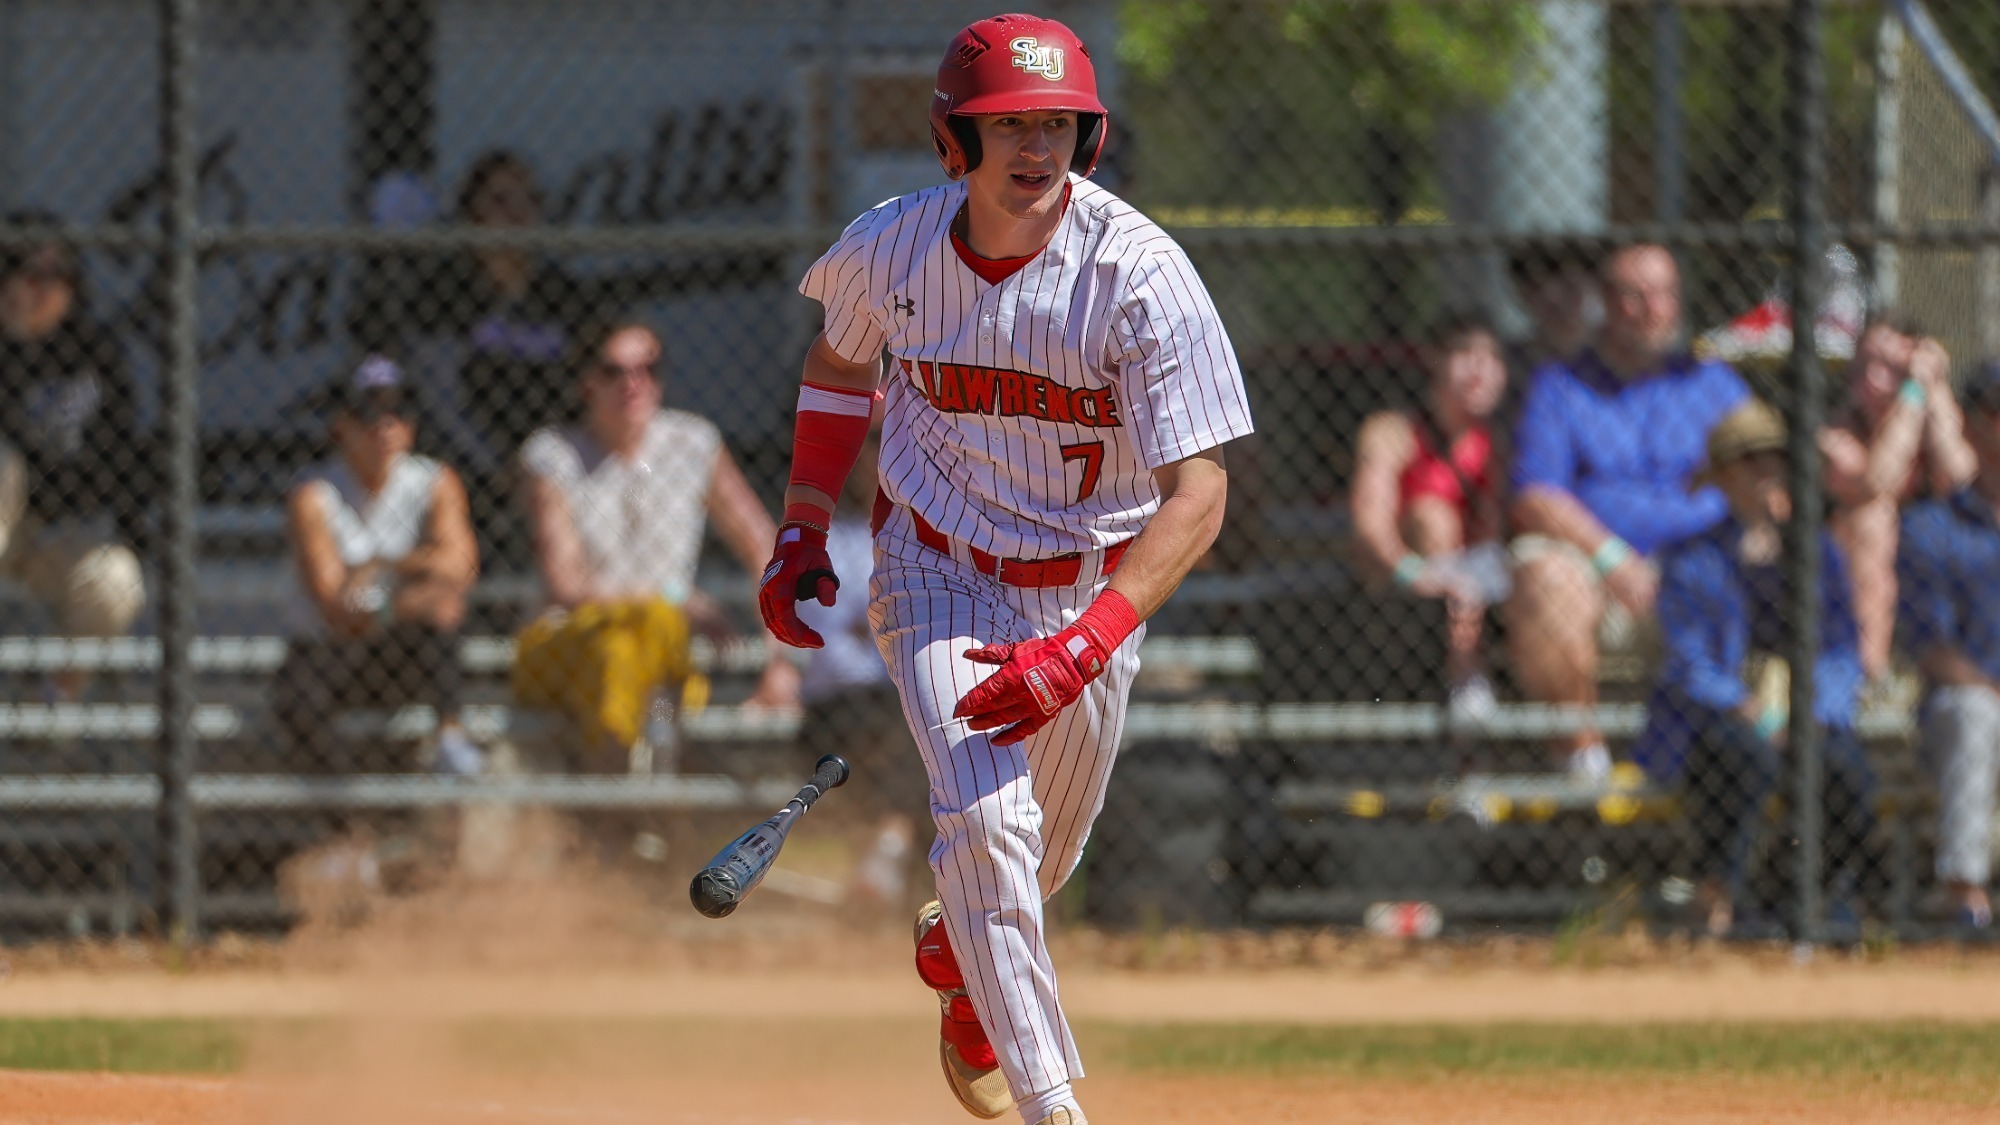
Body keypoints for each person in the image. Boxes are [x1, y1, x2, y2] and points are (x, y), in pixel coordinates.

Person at [757, 15, 1253, 1125]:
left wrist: (1081, 646)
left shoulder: (1137, 276)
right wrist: (799, 522)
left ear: (1086, 137)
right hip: (936, 567)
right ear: (953, 144)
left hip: (1087, 590)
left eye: (1054, 123)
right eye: (1005, 125)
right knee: (987, 833)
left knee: (1035, 862)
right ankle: (1051, 1109)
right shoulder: (890, 248)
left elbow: (1201, 495)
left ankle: (971, 979)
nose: (1033, 146)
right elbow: (839, 363)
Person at [1506, 242, 1750, 778]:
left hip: (1707, 570)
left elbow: (1765, 474)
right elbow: (1536, 497)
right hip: (1604, 574)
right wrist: (1613, 559)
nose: (1654, 309)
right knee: (1544, 575)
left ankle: (1731, 761)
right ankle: (1585, 764)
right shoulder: (1561, 386)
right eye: (1637, 296)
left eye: (1665, 294)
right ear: (1606, 302)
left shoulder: (1712, 384)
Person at [515, 317, 798, 771]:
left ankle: (615, 802)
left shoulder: (692, 443)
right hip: (574, 636)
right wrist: (676, 598)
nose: (634, 383)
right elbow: (567, 585)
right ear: (584, 382)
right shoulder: (553, 454)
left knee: (640, 645)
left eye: (648, 369)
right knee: (618, 649)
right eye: (613, 371)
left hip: (662, 641)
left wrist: (780, 661)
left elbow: (766, 547)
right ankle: (636, 805)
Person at [1633, 401, 1872, 937]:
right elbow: (1690, 661)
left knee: (1845, 768)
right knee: (1744, 757)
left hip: (1803, 705)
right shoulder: (1694, 556)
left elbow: (1841, 645)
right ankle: (1721, 896)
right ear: (1722, 476)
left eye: (1776, 459)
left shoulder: (1816, 551)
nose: (1767, 472)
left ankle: (1818, 896)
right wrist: (1750, 710)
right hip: (1718, 713)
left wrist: (1818, 711)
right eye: (1750, 461)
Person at [274, 356, 482, 775]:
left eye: (399, 412)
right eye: (369, 413)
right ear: (341, 426)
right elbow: (336, 607)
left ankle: (451, 737)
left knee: (442, 614)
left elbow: (460, 566)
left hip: (399, 647)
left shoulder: (434, 481)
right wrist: (410, 589)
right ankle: (351, 828)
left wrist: (378, 566)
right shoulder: (314, 495)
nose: (385, 426)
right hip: (331, 651)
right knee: (298, 699)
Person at [0, 212, 148, 702]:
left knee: (116, 584)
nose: (50, 290)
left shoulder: (94, 350)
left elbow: (117, 455)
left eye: (62, 277)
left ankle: (53, 701)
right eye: (33, 275)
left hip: (52, 528)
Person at [794, 425, 934, 912]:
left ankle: (890, 855)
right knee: (911, 724)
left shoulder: (930, 533)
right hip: (841, 706)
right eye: (873, 440)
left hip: (901, 698)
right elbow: (830, 647)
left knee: (928, 720)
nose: (883, 452)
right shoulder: (826, 538)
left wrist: (874, 625)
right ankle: (891, 849)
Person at [1349, 311, 1509, 717]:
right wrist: (1412, 571)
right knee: (1432, 516)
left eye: (1490, 358)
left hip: (1486, 582)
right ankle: (1464, 676)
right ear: (1434, 360)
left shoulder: (1503, 444)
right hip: (1408, 583)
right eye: (1463, 353)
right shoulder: (1393, 431)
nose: (1479, 369)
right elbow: (1370, 524)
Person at [1896, 360, 2000, 932]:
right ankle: (1966, 900)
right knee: (1975, 712)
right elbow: (1927, 646)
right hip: (1958, 709)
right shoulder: (1933, 527)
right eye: (1998, 411)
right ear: (1975, 426)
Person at [1819, 315, 1975, 683]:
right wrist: (1913, 394)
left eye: (1891, 367)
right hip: (1852, 561)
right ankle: (1869, 677)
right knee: (1871, 519)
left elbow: (1961, 480)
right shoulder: (1838, 429)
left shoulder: (1932, 409)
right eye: (1864, 364)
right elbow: (1878, 480)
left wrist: (1933, 390)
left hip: (1934, 551)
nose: (1872, 378)